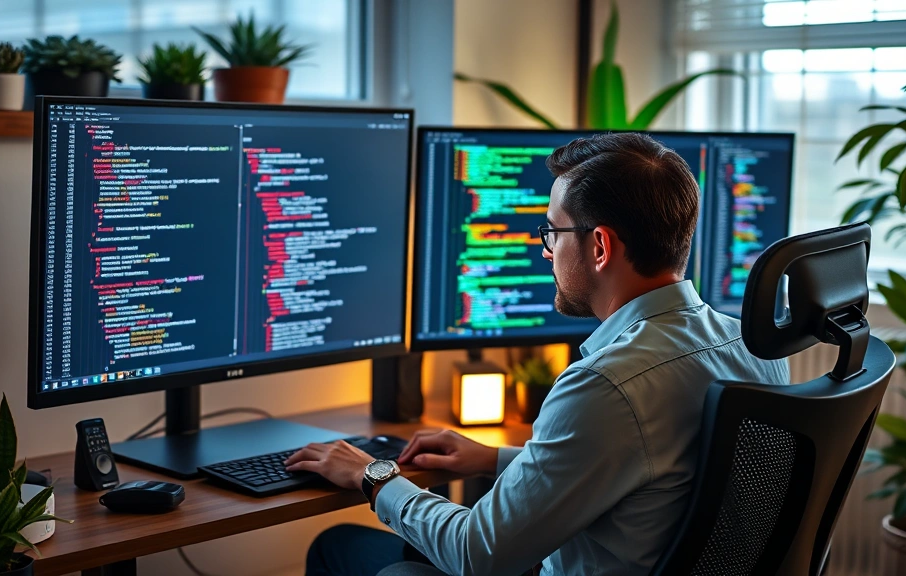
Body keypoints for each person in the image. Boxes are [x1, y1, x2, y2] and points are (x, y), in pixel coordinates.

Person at [284, 132, 791, 576]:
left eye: (552, 231)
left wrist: (374, 476)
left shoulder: (605, 385)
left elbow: (476, 554)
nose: (545, 250)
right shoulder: (755, 347)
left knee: (340, 548)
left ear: (599, 247)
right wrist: (497, 458)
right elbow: (653, 468)